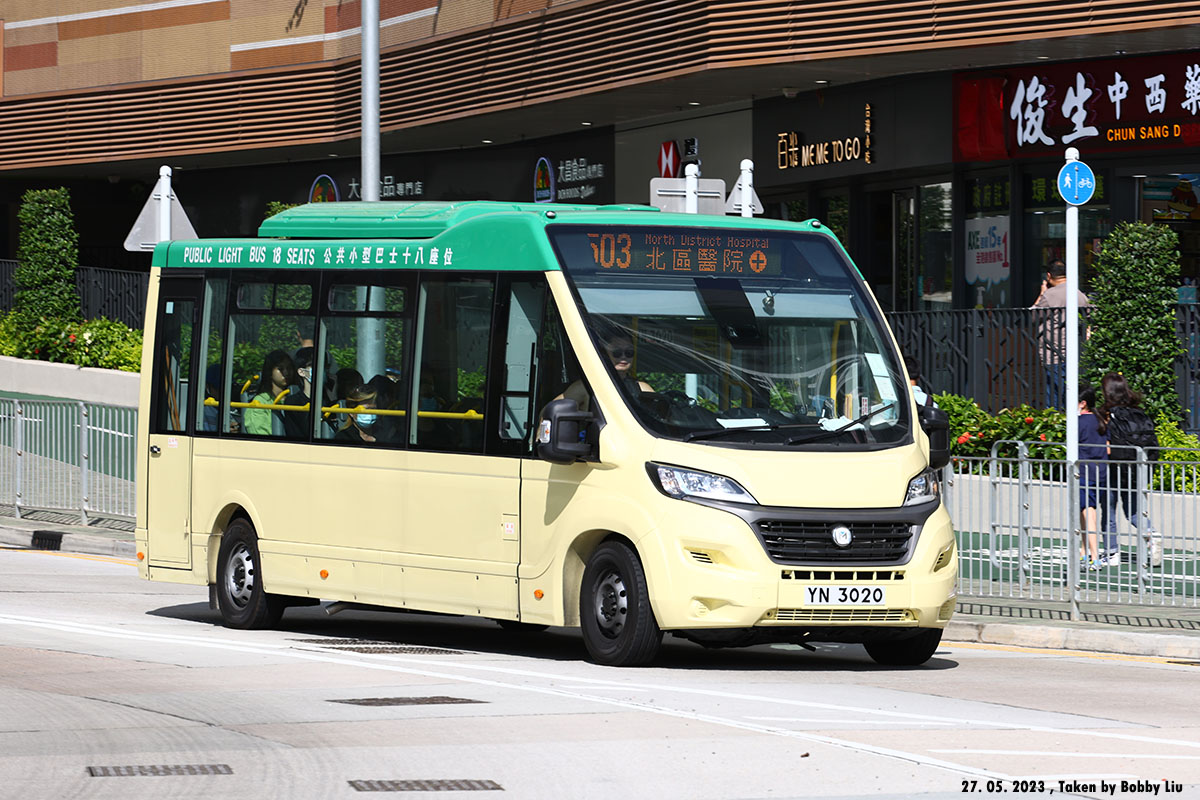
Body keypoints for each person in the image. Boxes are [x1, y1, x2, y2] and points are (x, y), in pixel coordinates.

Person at [1099, 372, 1163, 568]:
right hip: (1137, 471)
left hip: (1115, 469)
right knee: (1134, 512)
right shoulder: (1138, 413)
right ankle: (1152, 534)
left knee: (1108, 512)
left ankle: (1112, 553)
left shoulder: (1108, 415)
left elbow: (1108, 445)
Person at [1031, 259, 1089, 409]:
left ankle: (1058, 425)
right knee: (1073, 392)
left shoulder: (1050, 295)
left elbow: (1033, 317)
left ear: (1049, 276)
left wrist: (1042, 293)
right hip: (1076, 352)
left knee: (1054, 395)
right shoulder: (1079, 294)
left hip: (1053, 352)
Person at [558, 333, 652, 413]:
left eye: (629, 352)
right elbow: (550, 412)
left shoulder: (642, 388)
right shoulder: (586, 387)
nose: (623, 357)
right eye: (617, 352)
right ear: (604, 353)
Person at [1077, 386, 1107, 571]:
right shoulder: (1100, 420)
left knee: (1088, 510)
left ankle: (1095, 556)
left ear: (1083, 403)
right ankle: (1084, 551)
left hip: (1084, 471)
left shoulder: (1079, 422)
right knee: (1087, 509)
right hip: (1100, 470)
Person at [243, 350, 298, 437]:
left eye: (289, 368)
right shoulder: (259, 402)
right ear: (270, 372)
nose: (286, 373)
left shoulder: (295, 399)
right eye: (281, 369)